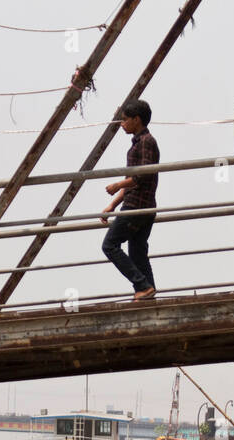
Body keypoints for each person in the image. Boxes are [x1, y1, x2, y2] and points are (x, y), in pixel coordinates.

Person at [101, 99, 159, 301]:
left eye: (124, 119)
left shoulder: (146, 142)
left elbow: (141, 177)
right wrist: (112, 204)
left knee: (110, 245)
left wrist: (118, 185)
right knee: (137, 252)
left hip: (138, 206)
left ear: (137, 119)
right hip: (141, 205)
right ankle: (147, 292)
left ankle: (142, 285)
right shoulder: (139, 143)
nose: (122, 123)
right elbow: (134, 181)